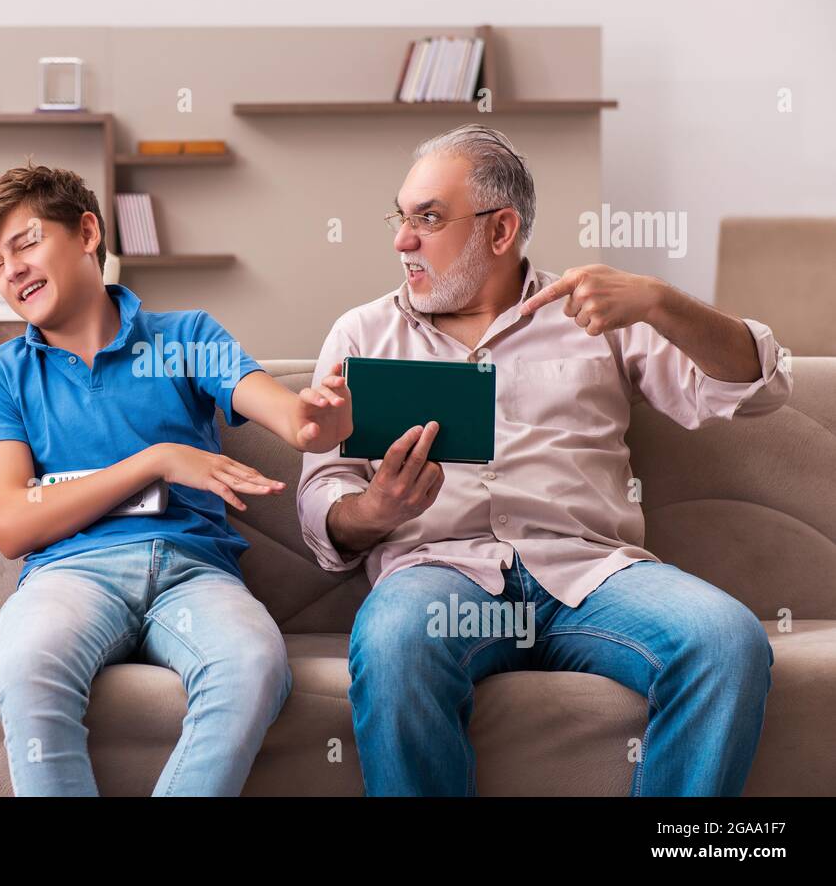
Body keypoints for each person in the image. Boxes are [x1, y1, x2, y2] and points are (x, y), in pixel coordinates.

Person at [297, 123, 793, 796]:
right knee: (393, 644)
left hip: (591, 576)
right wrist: (373, 509)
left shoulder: (596, 315)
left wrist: (659, 299)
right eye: (401, 216)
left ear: (500, 231)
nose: (402, 240)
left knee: (726, 640)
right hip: (441, 574)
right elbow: (322, 496)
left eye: (428, 219)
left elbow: (759, 388)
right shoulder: (362, 334)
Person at [0, 163, 354, 795]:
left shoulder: (187, 337)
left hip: (194, 574)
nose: (11, 270)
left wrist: (314, 422)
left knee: (253, 665)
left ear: (87, 232)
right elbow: (11, 523)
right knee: (26, 662)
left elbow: (290, 417)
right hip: (71, 576)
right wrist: (157, 459)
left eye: (26, 242)